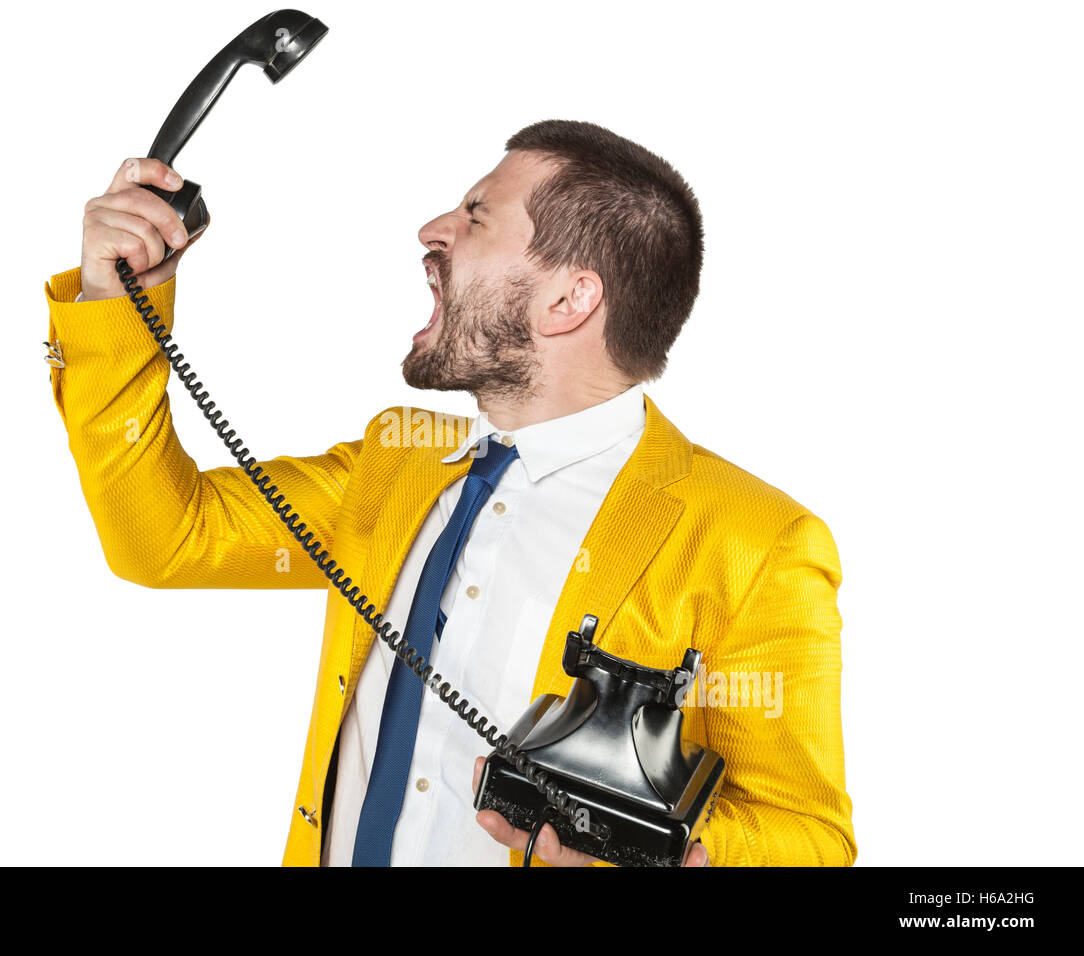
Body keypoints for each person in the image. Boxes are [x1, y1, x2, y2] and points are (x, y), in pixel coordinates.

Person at [42, 119, 856, 867]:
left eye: (476, 216)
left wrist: (658, 853)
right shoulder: (396, 463)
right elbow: (166, 538)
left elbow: (809, 836)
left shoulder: (755, 543)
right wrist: (118, 302)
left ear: (569, 299)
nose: (434, 230)